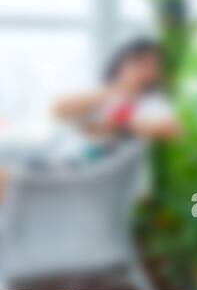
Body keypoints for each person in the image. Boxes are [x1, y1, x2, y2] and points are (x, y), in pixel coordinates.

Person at [0, 38, 180, 202]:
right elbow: (58, 109)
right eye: (140, 63)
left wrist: (112, 127)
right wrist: (115, 91)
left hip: (92, 173)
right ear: (122, 64)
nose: (147, 71)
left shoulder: (153, 103)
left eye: (154, 65)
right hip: (66, 161)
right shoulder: (100, 93)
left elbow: (172, 130)